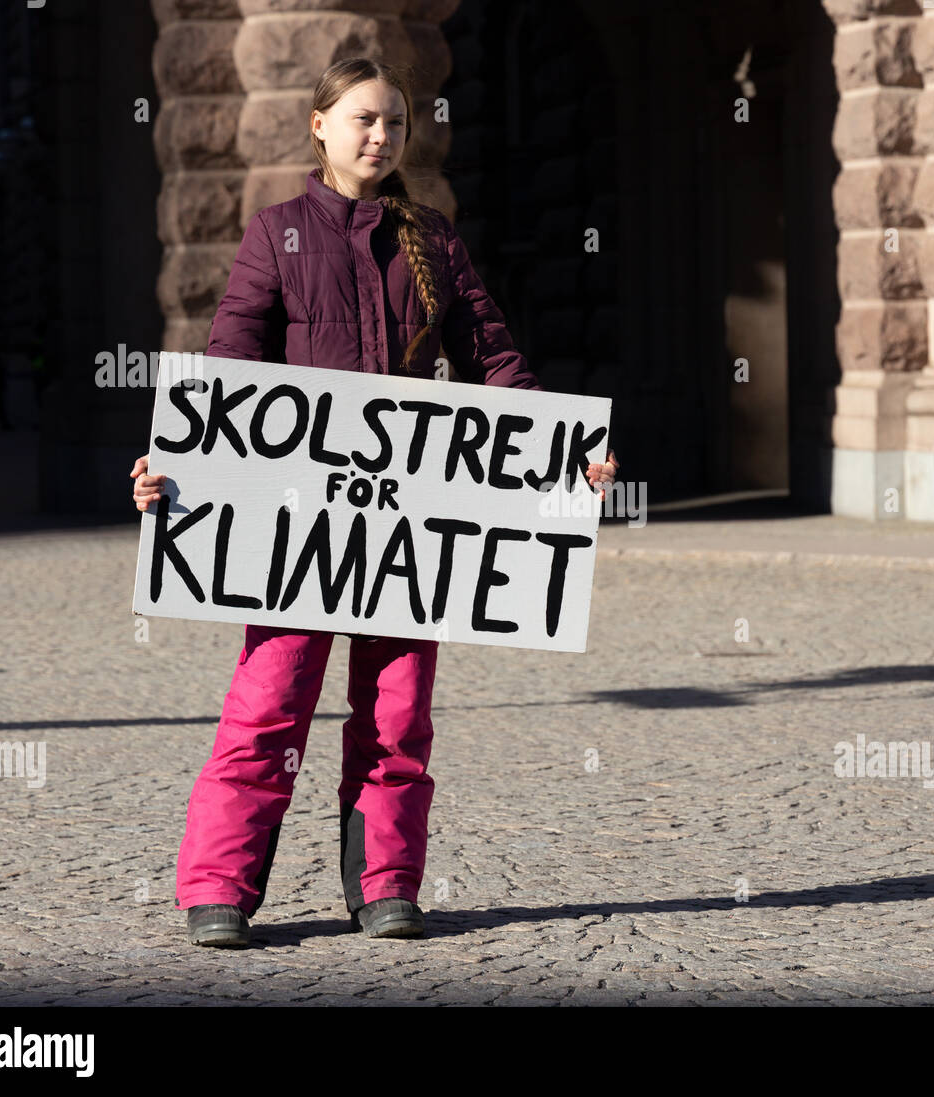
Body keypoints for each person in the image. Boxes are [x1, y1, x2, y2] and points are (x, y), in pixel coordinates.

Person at [130, 58, 616, 948]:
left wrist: (566, 449)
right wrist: (176, 464)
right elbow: (231, 366)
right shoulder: (274, 233)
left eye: (394, 121)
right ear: (319, 125)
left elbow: (495, 361)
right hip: (294, 524)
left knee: (397, 714)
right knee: (267, 704)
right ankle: (219, 892)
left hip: (404, 520)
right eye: (362, 119)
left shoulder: (434, 240)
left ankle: (387, 885)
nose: (381, 135)